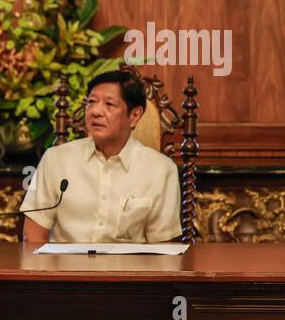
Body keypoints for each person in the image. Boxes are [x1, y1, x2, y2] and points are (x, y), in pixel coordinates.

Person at [23, 69, 182, 245]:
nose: (96, 111)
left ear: (135, 115)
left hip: (128, 270)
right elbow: (33, 237)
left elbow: (162, 249)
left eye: (109, 104)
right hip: (65, 269)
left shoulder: (161, 170)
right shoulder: (55, 159)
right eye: (91, 102)